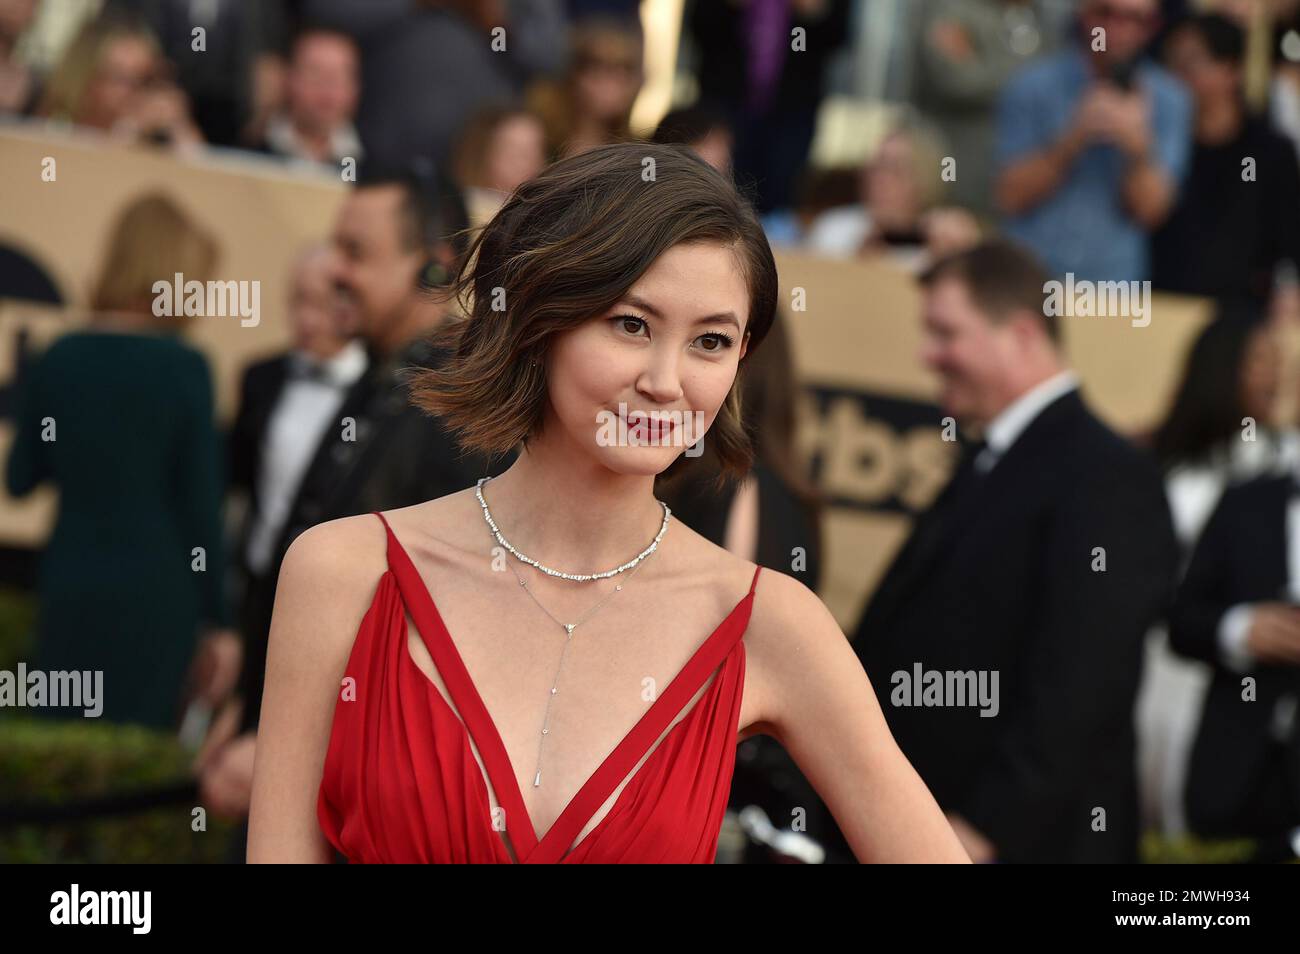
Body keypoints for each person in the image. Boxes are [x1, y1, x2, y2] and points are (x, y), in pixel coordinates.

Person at [246, 142, 972, 864]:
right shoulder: (344, 573)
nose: (666, 380)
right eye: (631, 324)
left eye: (711, 341)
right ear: (538, 317)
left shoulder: (766, 624)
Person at [847, 239, 1179, 863]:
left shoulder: (1107, 476)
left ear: (1022, 334)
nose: (929, 355)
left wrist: (981, 831)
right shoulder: (991, 458)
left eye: (946, 333)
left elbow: (1082, 685)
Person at [4, 193, 236, 729]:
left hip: (71, 580)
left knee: (66, 756)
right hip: (157, 592)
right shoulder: (185, 367)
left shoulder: (60, 356)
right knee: (138, 756)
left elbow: (19, 478)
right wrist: (218, 621)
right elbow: (202, 509)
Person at [1137, 311, 1297, 834]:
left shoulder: (1278, 464)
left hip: (1234, 683)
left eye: (1276, 361)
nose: (1270, 374)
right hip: (1159, 660)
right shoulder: (1165, 468)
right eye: (1257, 360)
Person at [995, 0, 1192, 281]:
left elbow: (1152, 212)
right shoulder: (1031, 86)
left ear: (1152, 27)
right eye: (1107, 13)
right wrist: (1072, 139)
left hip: (1110, 284)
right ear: (1083, 14)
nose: (1117, 29)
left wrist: (1137, 149)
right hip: (1027, 277)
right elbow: (1009, 197)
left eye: (1135, 19)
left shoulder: (1169, 99)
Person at [1152, 13, 1300, 303]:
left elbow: (1290, 241)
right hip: (1162, 303)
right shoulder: (1161, 142)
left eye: (1192, 63)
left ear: (1231, 70)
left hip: (1242, 315)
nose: (1177, 77)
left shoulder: (1268, 151)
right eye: (1172, 64)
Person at [909, 0, 1076, 217]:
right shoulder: (951, 9)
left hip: (1028, 187)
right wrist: (1035, 74)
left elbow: (1069, 81)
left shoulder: (1046, 17)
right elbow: (958, 79)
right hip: (959, 181)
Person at [255, 26, 363, 170]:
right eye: (314, 74)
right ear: (289, 79)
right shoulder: (253, 150)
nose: (327, 88)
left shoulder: (374, 165)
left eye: (339, 77)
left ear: (355, 88)